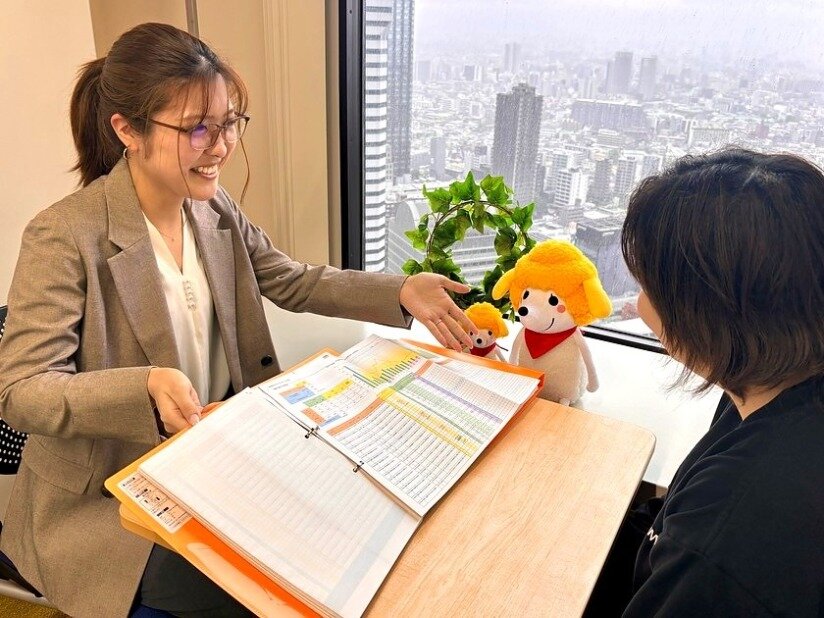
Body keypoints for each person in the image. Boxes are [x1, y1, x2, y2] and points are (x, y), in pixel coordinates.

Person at [0, 22, 476, 618]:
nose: (221, 146)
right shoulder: (64, 234)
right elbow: (21, 390)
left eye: (229, 123)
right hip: (110, 499)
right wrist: (142, 388)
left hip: (217, 457)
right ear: (128, 131)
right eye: (197, 128)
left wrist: (400, 290)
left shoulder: (213, 208)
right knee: (269, 596)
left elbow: (290, 279)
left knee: (347, 542)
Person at [588, 147, 824, 616]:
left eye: (648, 287)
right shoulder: (771, 387)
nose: (639, 304)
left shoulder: (732, 534)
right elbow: (663, 527)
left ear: (703, 317)